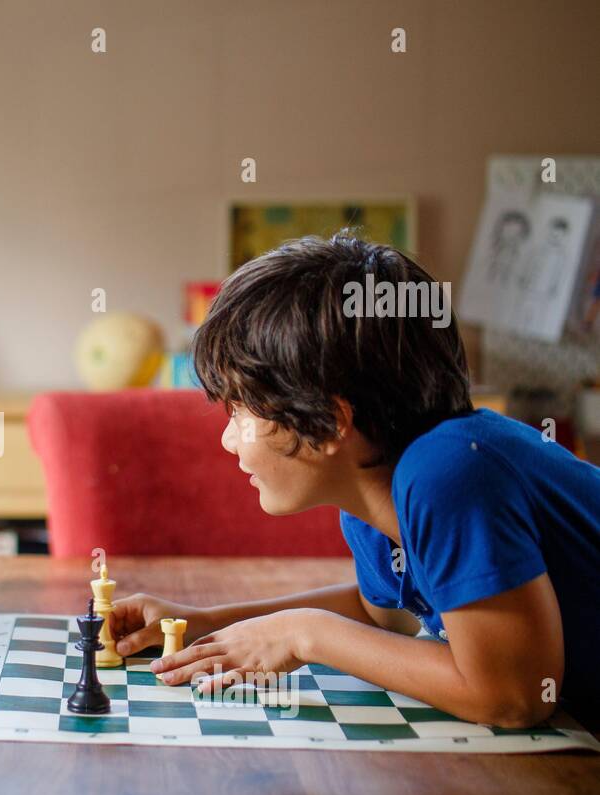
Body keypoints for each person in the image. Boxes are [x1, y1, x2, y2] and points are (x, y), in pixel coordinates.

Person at [109, 233, 600, 725]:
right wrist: (202, 624)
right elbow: (381, 617)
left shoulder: (450, 472)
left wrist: (307, 633)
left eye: (240, 412)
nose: (228, 441)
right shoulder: (376, 498)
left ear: (329, 422)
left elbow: (513, 696)